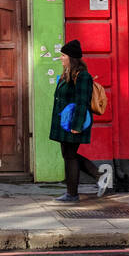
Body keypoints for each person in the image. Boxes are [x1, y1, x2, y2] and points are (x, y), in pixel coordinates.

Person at [50, 39, 100, 202]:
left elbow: (82, 102)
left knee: (70, 155)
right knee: (68, 154)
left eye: (63, 55)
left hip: (74, 122)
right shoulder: (66, 74)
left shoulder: (83, 76)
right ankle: (98, 175)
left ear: (72, 57)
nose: (61, 58)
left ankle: (72, 193)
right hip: (65, 122)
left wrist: (77, 126)